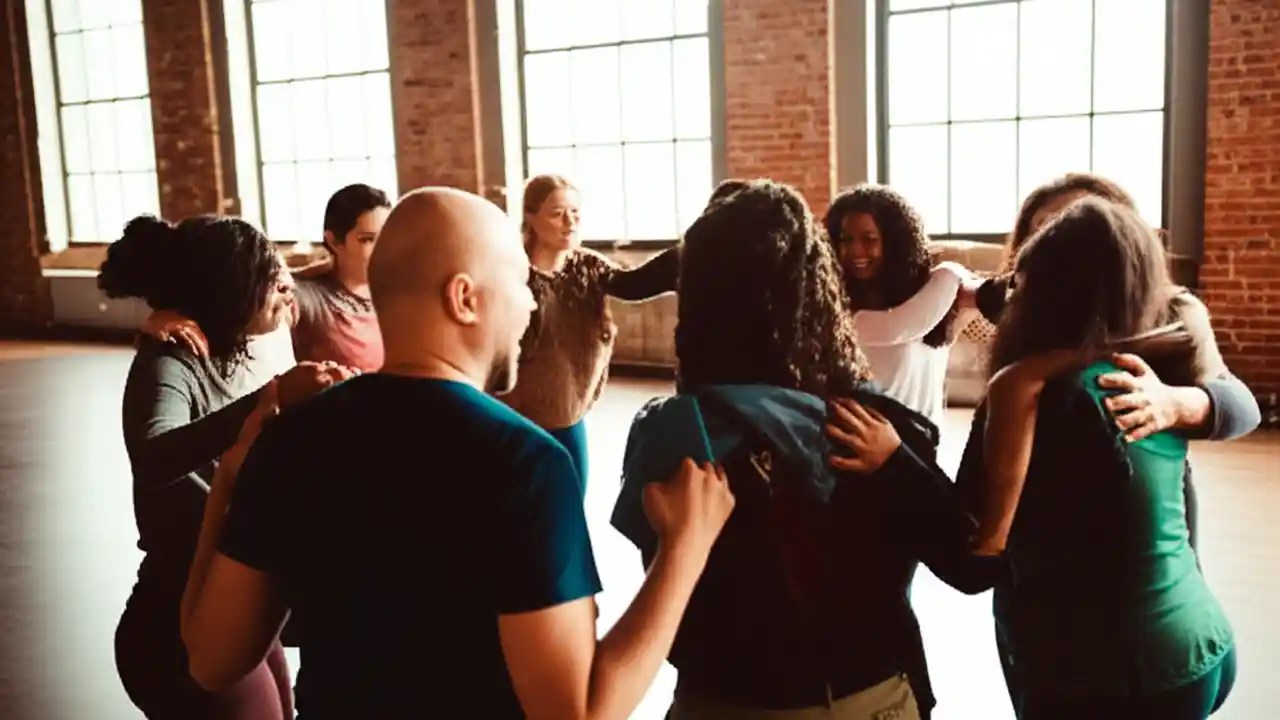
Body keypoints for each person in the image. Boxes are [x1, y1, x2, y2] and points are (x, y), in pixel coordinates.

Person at [178, 187, 735, 719]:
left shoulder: (290, 440)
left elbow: (210, 660)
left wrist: (230, 477)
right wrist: (685, 548)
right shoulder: (525, 463)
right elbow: (577, 711)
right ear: (464, 298)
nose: (529, 309)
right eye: (520, 284)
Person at [612, 179, 1006, 719]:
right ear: (819, 289)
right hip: (859, 697)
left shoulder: (668, 437)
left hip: (715, 701)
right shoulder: (873, 430)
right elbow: (969, 565)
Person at [957, 198, 1236, 718]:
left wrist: (892, 462)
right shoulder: (1147, 373)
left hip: (1115, 672)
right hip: (1197, 639)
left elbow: (975, 558)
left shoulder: (1040, 395)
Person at [101, 214, 349, 719]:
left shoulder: (246, 346)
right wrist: (271, 399)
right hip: (177, 615)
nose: (287, 285)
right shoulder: (171, 359)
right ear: (231, 289)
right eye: (271, 276)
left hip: (238, 593)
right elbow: (153, 455)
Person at [972, 172, 1259, 550]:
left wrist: (1173, 404)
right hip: (1034, 495)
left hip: (1139, 510)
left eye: (1075, 223)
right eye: (1043, 230)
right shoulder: (1014, 302)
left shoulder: (1173, 311)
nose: (1060, 242)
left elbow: (1241, 406)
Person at [501, 174, 682, 492]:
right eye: (557, 213)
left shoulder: (588, 266)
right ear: (530, 218)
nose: (569, 223)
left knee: (571, 501)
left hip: (569, 415)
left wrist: (690, 254)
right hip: (518, 418)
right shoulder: (510, 272)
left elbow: (634, 285)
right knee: (526, 505)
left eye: (576, 213)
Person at [142, 183, 393, 373]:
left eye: (387, 235)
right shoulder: (302, 297)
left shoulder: (400, 288)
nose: (383, 247)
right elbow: (236, 295)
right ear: (333, 240)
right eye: (367, 239)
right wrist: (165, 315)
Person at [822, 184, 981, 423]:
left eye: (869, 239)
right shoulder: (840, 309)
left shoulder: (932, 299)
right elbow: (901, 326)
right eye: (846, 239)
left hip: (922, 447)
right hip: (867, 448)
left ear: (895, 241)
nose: (855, 250)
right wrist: (951, 272)